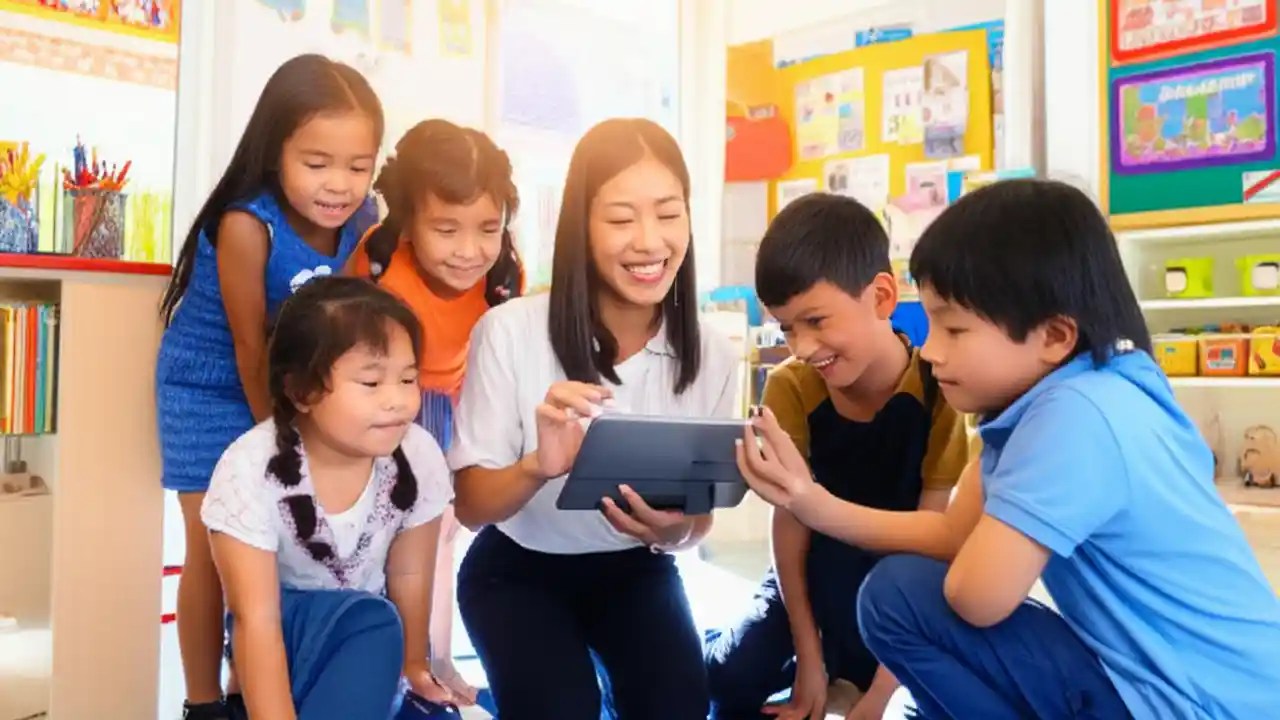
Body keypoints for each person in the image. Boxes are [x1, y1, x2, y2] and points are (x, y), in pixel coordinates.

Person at [737, 179, 1280, 719]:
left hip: (1192, 704)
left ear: (1053, 337)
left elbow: (978, 594)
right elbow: (951, 533)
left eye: (954, 329)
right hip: (1214, 689)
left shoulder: (1074, 417)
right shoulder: (1103, 382)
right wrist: (810, 503)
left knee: (899, 597)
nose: (931, 349)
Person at [447, 118, 740, 720]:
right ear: (581, 226)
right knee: (562, 708)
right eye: (620, 218)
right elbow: (473, 506)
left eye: (668, 213)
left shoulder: (712, 354)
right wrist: (536, 467)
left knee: (681, 706)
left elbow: (697, 520)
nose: (649, 241)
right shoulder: (509, 331)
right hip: (517, 570)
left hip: (635, 571)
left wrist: (669, 533)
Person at [155, 54, 383, 720]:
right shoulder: (245, 224)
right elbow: (250, 345)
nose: (339, 185)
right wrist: (284, 444)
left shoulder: (364, 217)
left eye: (358, 165)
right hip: (211, 386)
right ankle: (203, 703)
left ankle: (247, 690)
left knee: (275, 553)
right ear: (275, 149)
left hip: (293, 388)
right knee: (213, 545)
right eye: (317, 164)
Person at [703, 194, 968, 720]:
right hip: (803, 578)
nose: (802, 346)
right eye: (786, 328)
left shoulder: (941, 394)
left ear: (882, 296)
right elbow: (790, 527)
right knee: (731, 680)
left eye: (817, 321)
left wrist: (880, 696)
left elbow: (931, 547)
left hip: (897, 591)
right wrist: (807, 655)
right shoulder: (791, 388)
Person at [201, 276, 456, 719]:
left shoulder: (418, 452)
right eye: (372, 383)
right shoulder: (249, 468)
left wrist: (415, 666)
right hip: (287, 639)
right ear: (302, 391)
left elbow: (411, 573)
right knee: (369, 621)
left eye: (408, 378)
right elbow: (256, 620)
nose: (397, 401)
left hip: (374, 644)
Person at [345, 119, 523, 704]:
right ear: (408, 222)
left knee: (442, 533)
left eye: (487, 229)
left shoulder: (503, 277)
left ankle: (434, 658)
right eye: (446, 229)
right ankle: (388, 658)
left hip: (456, 404)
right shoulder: (378, 273)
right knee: (384, 534)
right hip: (390, 404)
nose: (469, 250)